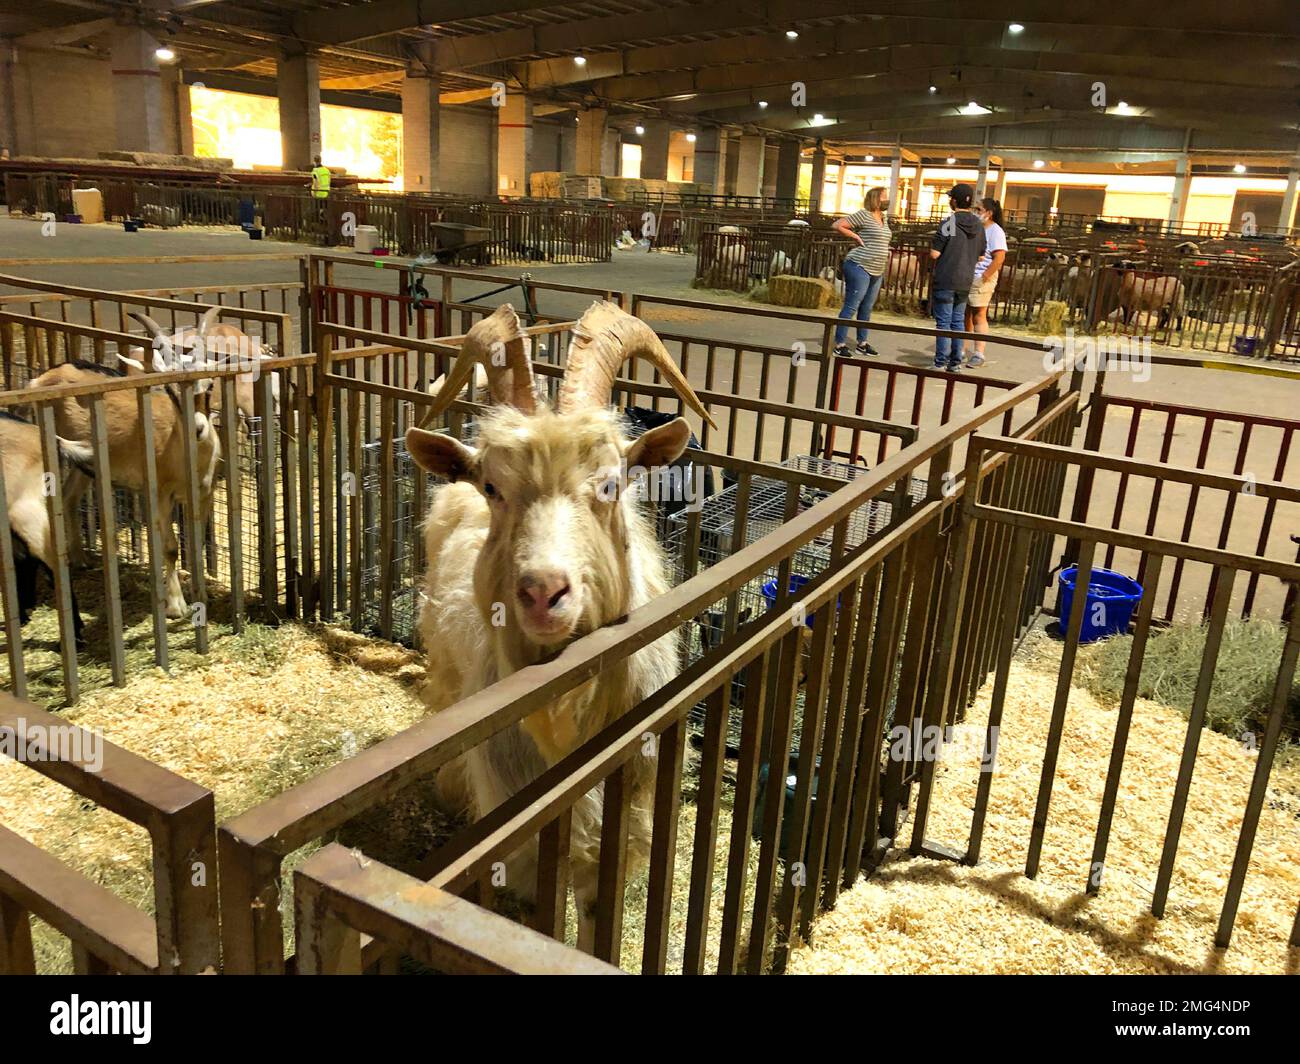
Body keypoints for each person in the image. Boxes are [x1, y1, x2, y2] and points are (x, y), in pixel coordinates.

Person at [928, 182, 986, 372]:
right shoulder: (978, 225)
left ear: (954, 200)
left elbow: (935, 254)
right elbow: (981, 256)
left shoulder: (950, 223)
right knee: (958, 322)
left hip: (946, 277)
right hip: (965, 280)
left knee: (943, 323)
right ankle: (954, 364)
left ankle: (939, 362)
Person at [831, 186, 891, 356]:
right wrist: (856, 237)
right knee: (852, 305)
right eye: (884, 197)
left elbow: (879, 238)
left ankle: (862, 343)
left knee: (867, 306)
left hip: (877, 268)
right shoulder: (864, 214)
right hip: (860, 264)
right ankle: (840, 343)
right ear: (876, 199)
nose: (887, 200)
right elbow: (838, 225)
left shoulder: (884, 218)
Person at [963, 197, 1007, 368]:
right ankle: (961, 349)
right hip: (968, 274)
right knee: (965, 313)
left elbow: (999, 257)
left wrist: (985, 276)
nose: (975, 213)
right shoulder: (976, 228)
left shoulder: (995, 231)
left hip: (981, 276)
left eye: (979, 210)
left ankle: (979, 352)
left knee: (979, 314)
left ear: (989, 213)